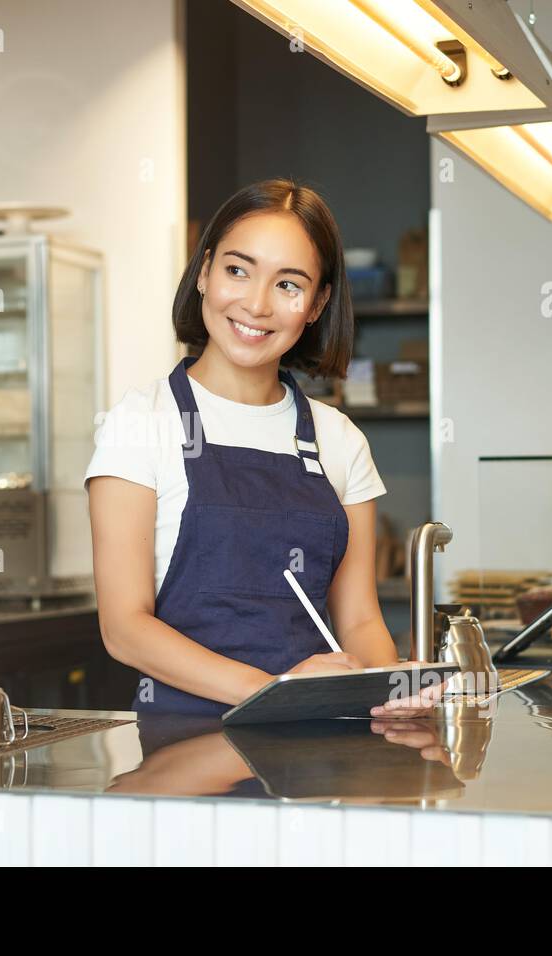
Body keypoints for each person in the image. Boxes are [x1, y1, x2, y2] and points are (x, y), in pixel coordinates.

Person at [85, 178, 440, 718]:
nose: (255, 303)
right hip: (187, 759)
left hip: (322, 753)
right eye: (236, 270)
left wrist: (384, 693)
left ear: (318, 303)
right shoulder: (139, 423)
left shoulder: (339, 440)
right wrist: (273, 691)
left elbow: (360, 620)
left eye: (288, 284)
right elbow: (125, 628)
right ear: (203, 272)